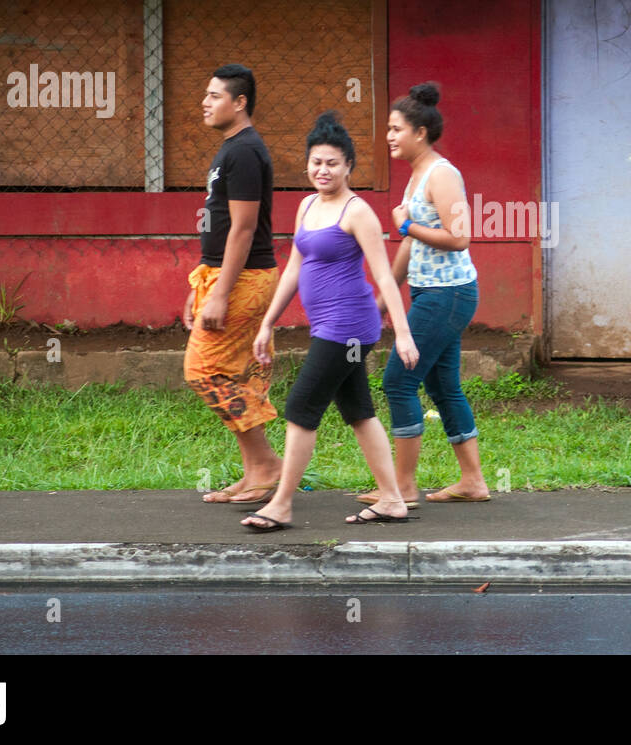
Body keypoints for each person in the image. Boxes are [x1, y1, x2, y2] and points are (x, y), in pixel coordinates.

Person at [241, 112, 419, 531]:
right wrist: (267, 322)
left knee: (302, 405)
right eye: (317, 162)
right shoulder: (306, 205)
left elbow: (385, 277)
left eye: (333, 163)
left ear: (348, 168)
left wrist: (404, 334)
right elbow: (293, 270)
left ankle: (281, 504)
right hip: (326, 325)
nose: (323, 170)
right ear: (308, 163)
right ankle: (392, 499)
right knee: (358, 409)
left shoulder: (359, 213)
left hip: (350, 328)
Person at [356, 82, 490, 508]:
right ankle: (473, 481)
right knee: (443, 385)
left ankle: (403, 488)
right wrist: (383, 298)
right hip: (431, 293)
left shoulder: (443, 175)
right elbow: (411, 246)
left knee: (399, 380)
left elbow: (460, 237)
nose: (390, 137)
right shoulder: (417, 176)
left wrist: (405, 226)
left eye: (396, 129)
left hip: (448, 295)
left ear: (420, 132)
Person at [184, 64, 283, 504]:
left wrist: (221, 292)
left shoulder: (243, 151)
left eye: (214, 95)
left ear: (239, 102)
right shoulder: (234, 149)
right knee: (234, 371)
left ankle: (266, 465)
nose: (205, 103)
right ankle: (256, 470)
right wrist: (202, 283)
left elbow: (243, 229)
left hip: (244, 279)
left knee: (204, 370)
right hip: (228, 274)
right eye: (205, 95)